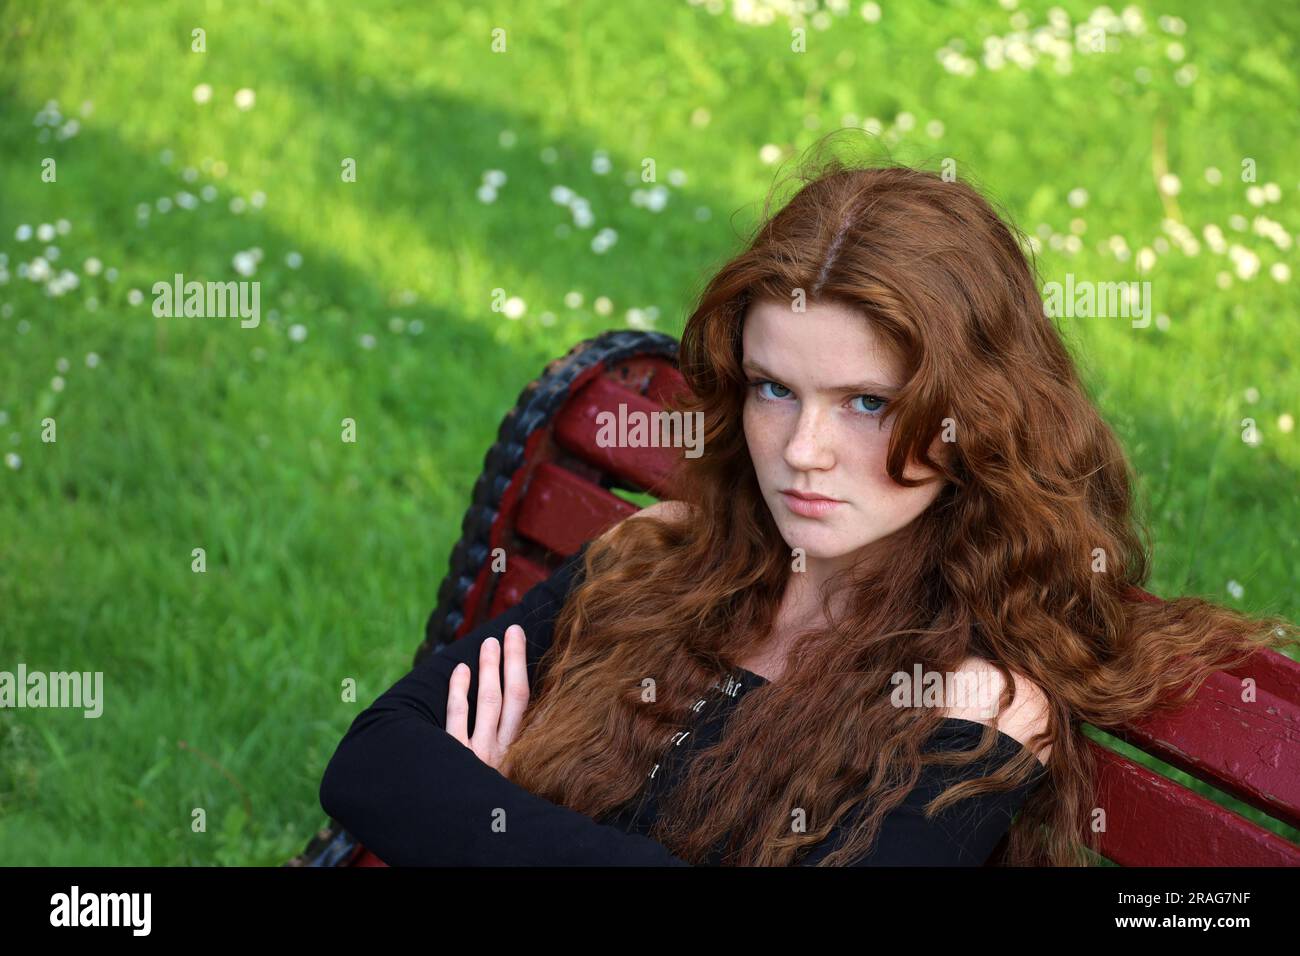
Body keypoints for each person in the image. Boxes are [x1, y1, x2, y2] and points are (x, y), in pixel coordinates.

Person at [320, 151, 1296, 867]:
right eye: (771, 387)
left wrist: (483, 810)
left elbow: (421, 791)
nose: (802, 450)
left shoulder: (972, 703)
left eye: (867, 402)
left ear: (974, 418)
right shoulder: (664, 557)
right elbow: (370, 761)